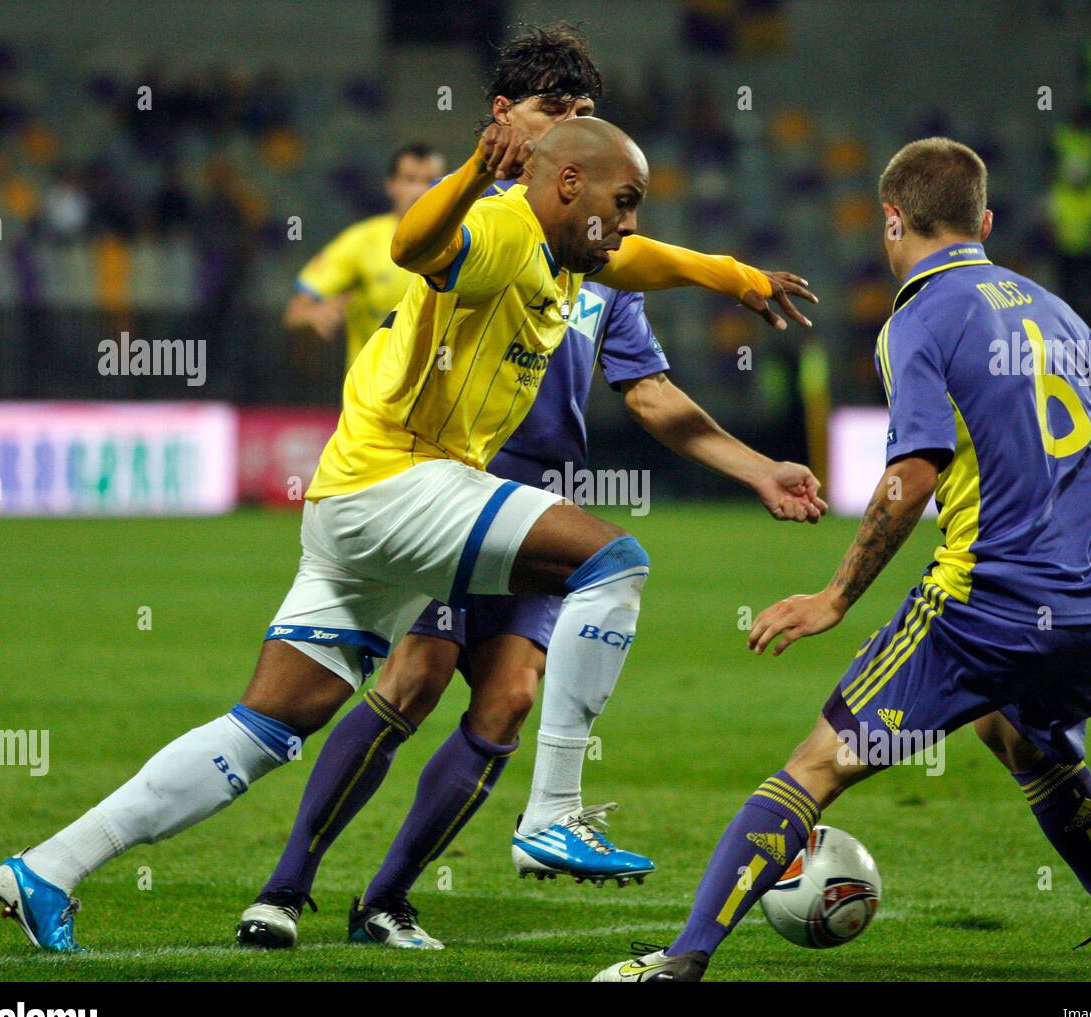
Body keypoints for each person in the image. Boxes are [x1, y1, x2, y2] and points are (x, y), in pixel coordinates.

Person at [0, 115, 821, 952]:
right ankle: (554, 810)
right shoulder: (502, 228)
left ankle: (50, 867)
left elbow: (638, 258)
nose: (636, 222)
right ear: (567, 184)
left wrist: (730, 274)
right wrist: (465, 173)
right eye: (628, 200)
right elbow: (416, 248)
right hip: (405, 479)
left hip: (352, 499)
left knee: (263, 730)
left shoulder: (573, 254)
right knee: (614, 562)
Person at [236, 23, 825, 953]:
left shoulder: (599, 252)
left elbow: (654, 394)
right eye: (556, 109)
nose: (572, 129)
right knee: (417, 674)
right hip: (453, 482)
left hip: (545, 501)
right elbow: (415, 247)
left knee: (507, 696)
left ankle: (385, 901)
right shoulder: (485, 226)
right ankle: (284, 887)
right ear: (507, 116)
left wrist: (758, 467)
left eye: (586, 113)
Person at [596, 137, 1091, 983]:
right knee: (1025, 737)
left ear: (891, 222)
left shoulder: (919, 319)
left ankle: (682, 963)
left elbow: (913, 473)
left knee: (814, 767)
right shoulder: (1059, 312)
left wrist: (835, 595)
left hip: (991, 605)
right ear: (984, 221)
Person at [283, 142, 445, 372]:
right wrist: (315, 315)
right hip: (371, 398)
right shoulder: (360, 242)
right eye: (410, 180)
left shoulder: (467, 240)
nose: (419, 191)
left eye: (430, 181)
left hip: (438, 394)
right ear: (391, 186)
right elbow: (295, 313)